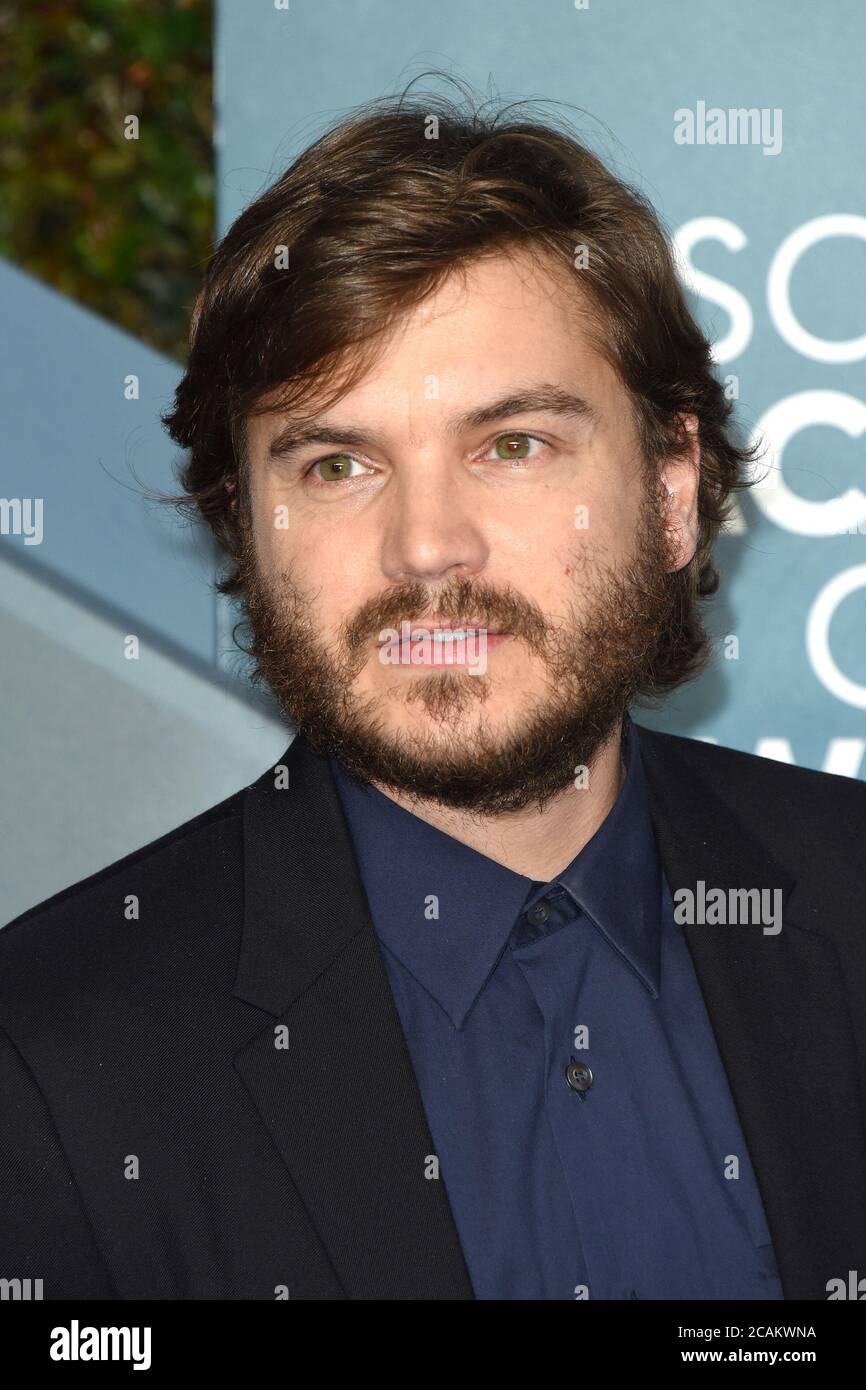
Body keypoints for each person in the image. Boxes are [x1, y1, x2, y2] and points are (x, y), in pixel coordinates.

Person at [2, 92, 865, 1301]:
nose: (425, 547)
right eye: (338, 464)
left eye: (510, 444)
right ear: (245, 530)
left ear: (671, 494)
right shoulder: (47, 1062)